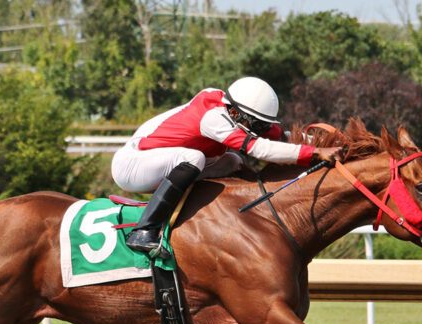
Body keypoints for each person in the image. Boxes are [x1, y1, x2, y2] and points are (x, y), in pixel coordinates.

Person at [111, 76, 344, 257]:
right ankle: (144, 231)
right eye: (256, 124)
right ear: (233, 111)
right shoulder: (213, 119)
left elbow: (281, 138)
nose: (259, 129)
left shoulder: (236, 109)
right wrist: (315, 153)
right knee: (194, 158)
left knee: (233, 162)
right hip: (132, 166)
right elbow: (259, 149)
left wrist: (327, 144)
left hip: (161, 162)